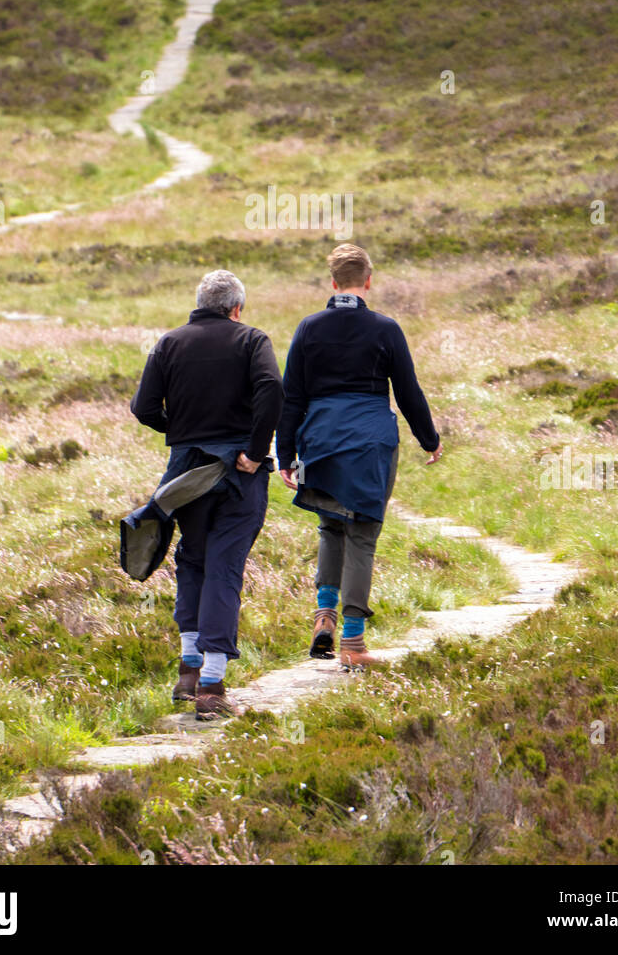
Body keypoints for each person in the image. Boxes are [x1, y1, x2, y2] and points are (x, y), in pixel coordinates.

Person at [277, 244, 441, 668]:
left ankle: (324, 616)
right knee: (363, 537)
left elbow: (291, 397)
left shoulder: (308, 328)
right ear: (368, 280)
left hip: (321, 440)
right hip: (369, 442)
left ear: (332, 283)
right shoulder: (385, 329)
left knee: (331, 528)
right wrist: (429, 439)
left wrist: (285, 455)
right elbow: (408, 392)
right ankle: (352, 645)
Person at [131, 270, 283, 719]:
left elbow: (142, 408)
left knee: (192, 560)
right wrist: (255, 452)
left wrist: (179, 431)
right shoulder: (252, 341)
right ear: (236, 308)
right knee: (224, 567)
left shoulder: (169, 343)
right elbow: (272, 388)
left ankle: (188, 673)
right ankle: (213, 688)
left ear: (199, 303)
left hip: (186, 475)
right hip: (238, 474)